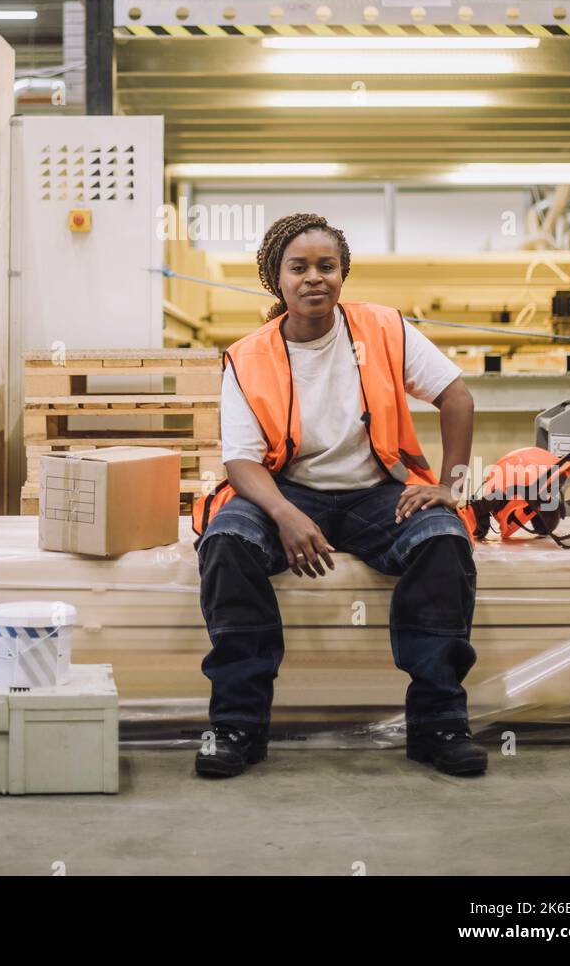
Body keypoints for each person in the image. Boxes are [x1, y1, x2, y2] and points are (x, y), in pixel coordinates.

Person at [192, 212, 485, 779]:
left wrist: (450, 488)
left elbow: (458, 398)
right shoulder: (247, 356)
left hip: (377, 494)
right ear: (276, 279)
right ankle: (236, 726)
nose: (314, 278)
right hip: (284, 491)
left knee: (444, 540)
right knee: (228, 541)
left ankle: (439, 724)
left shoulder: (384, 330)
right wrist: (283, 514)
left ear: (343, 274)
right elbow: (241, 462)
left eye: (327, 266)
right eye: (298, 267)